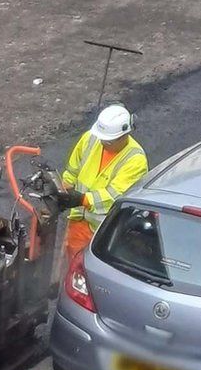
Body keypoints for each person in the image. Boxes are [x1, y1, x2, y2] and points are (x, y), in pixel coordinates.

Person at [58, 104, 148, 263]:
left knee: (90, 270)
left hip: (105, 231)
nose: (103, 143)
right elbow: (73, 170)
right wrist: (62, 190)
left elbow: (114, 197)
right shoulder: (91, 138)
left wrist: (82, 200)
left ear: (124, 135)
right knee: (72, 264)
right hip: (79, 221)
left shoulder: (135, 160)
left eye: (109, 141)